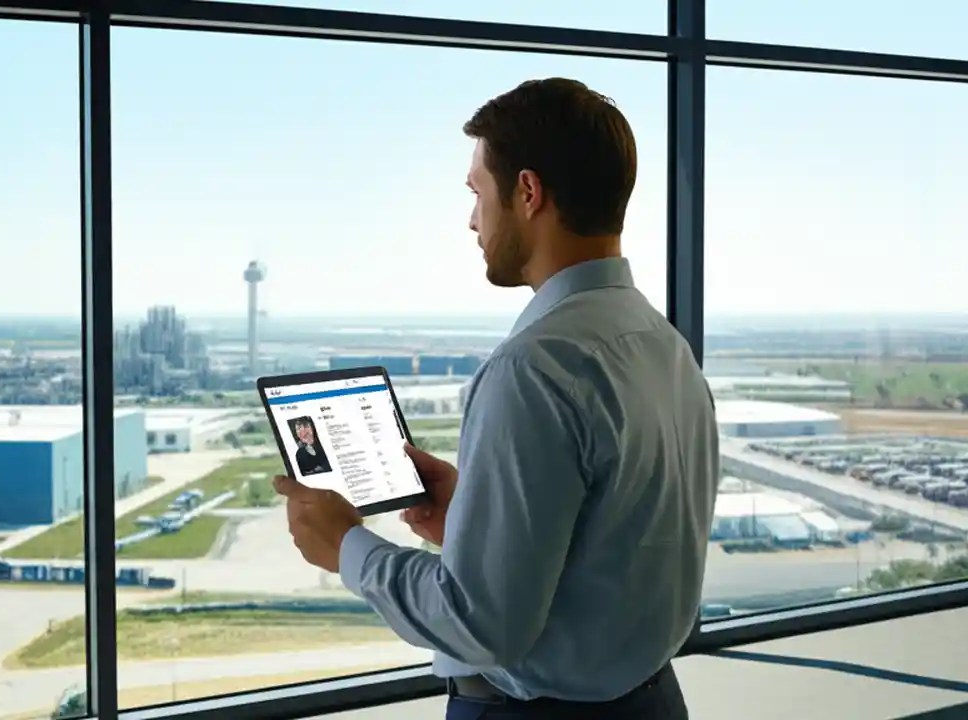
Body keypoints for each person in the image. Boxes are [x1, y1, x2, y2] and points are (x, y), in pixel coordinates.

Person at [273, 78, 719, 719]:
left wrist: (347, 546)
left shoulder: (534, 367)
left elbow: (482, 626)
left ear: (528, 193)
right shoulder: (661, 344)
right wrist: (472, 514)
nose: (472, 219)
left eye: (478, 192)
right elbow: (617, 549)